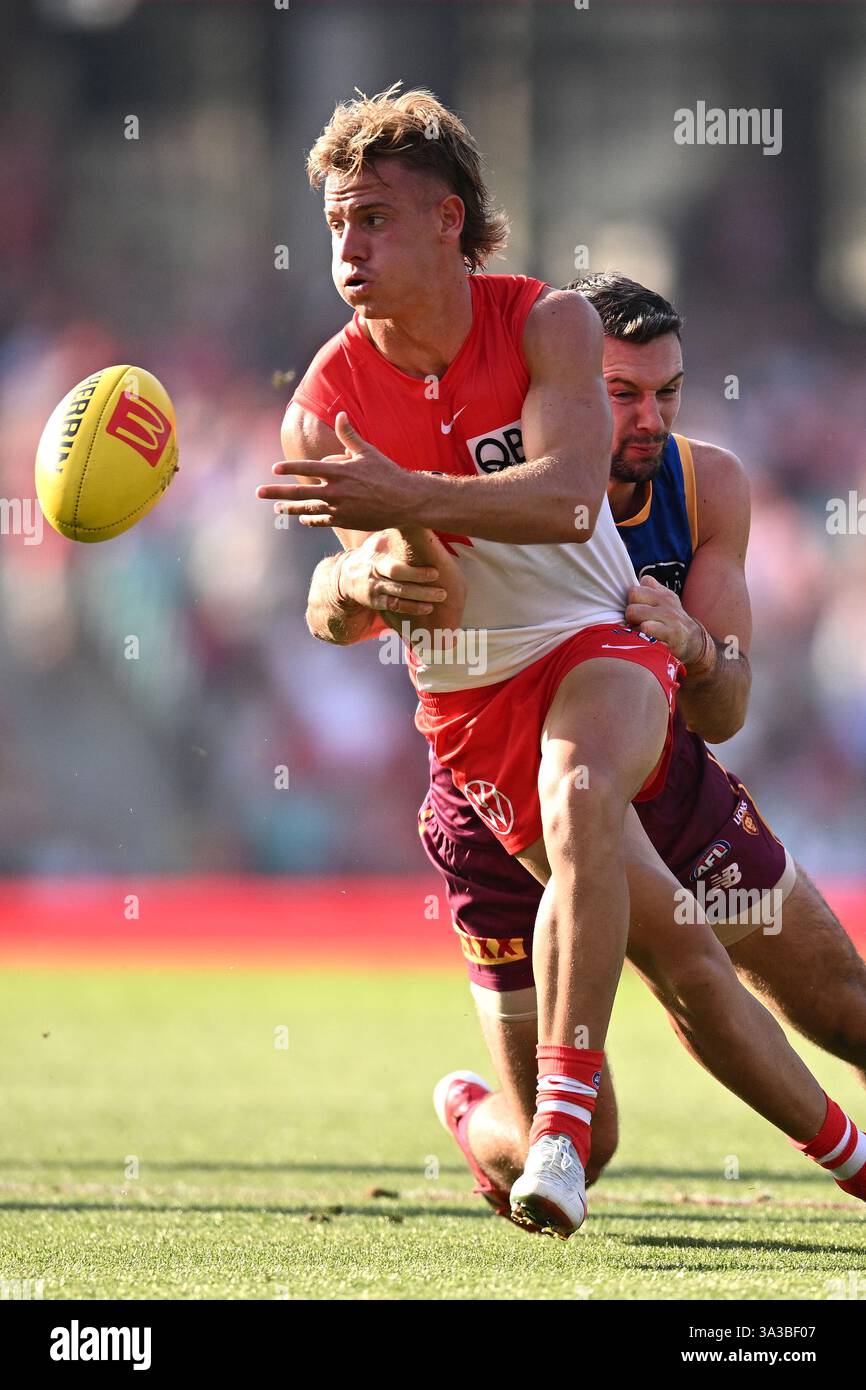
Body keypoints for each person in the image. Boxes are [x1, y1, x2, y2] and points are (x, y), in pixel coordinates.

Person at [305, 273, 866, 1228]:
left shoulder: (708, 486)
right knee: (578, 1149)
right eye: (621, 394)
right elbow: (342, 599)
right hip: (496, 803)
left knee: (845, 1001)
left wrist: (691, 643)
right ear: (555, 391)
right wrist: (356, 580)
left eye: (668, 393)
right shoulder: (483, 482)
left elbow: (727, 708)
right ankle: (480, 1119)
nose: (649, 420)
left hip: (662, 782)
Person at [257, 83, 683, 1236]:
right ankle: (498, 1118)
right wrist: (360, 581)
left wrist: (402, 493)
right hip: (464, 712)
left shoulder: (547, 322)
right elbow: (385, 597)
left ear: (449, 222)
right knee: (599, 1142)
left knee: (601, 813)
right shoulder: (322, 404)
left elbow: (562, 501)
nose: (346, 247)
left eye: (375, 219)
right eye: (336, 223)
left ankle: (561, 1130)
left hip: (589, 644)